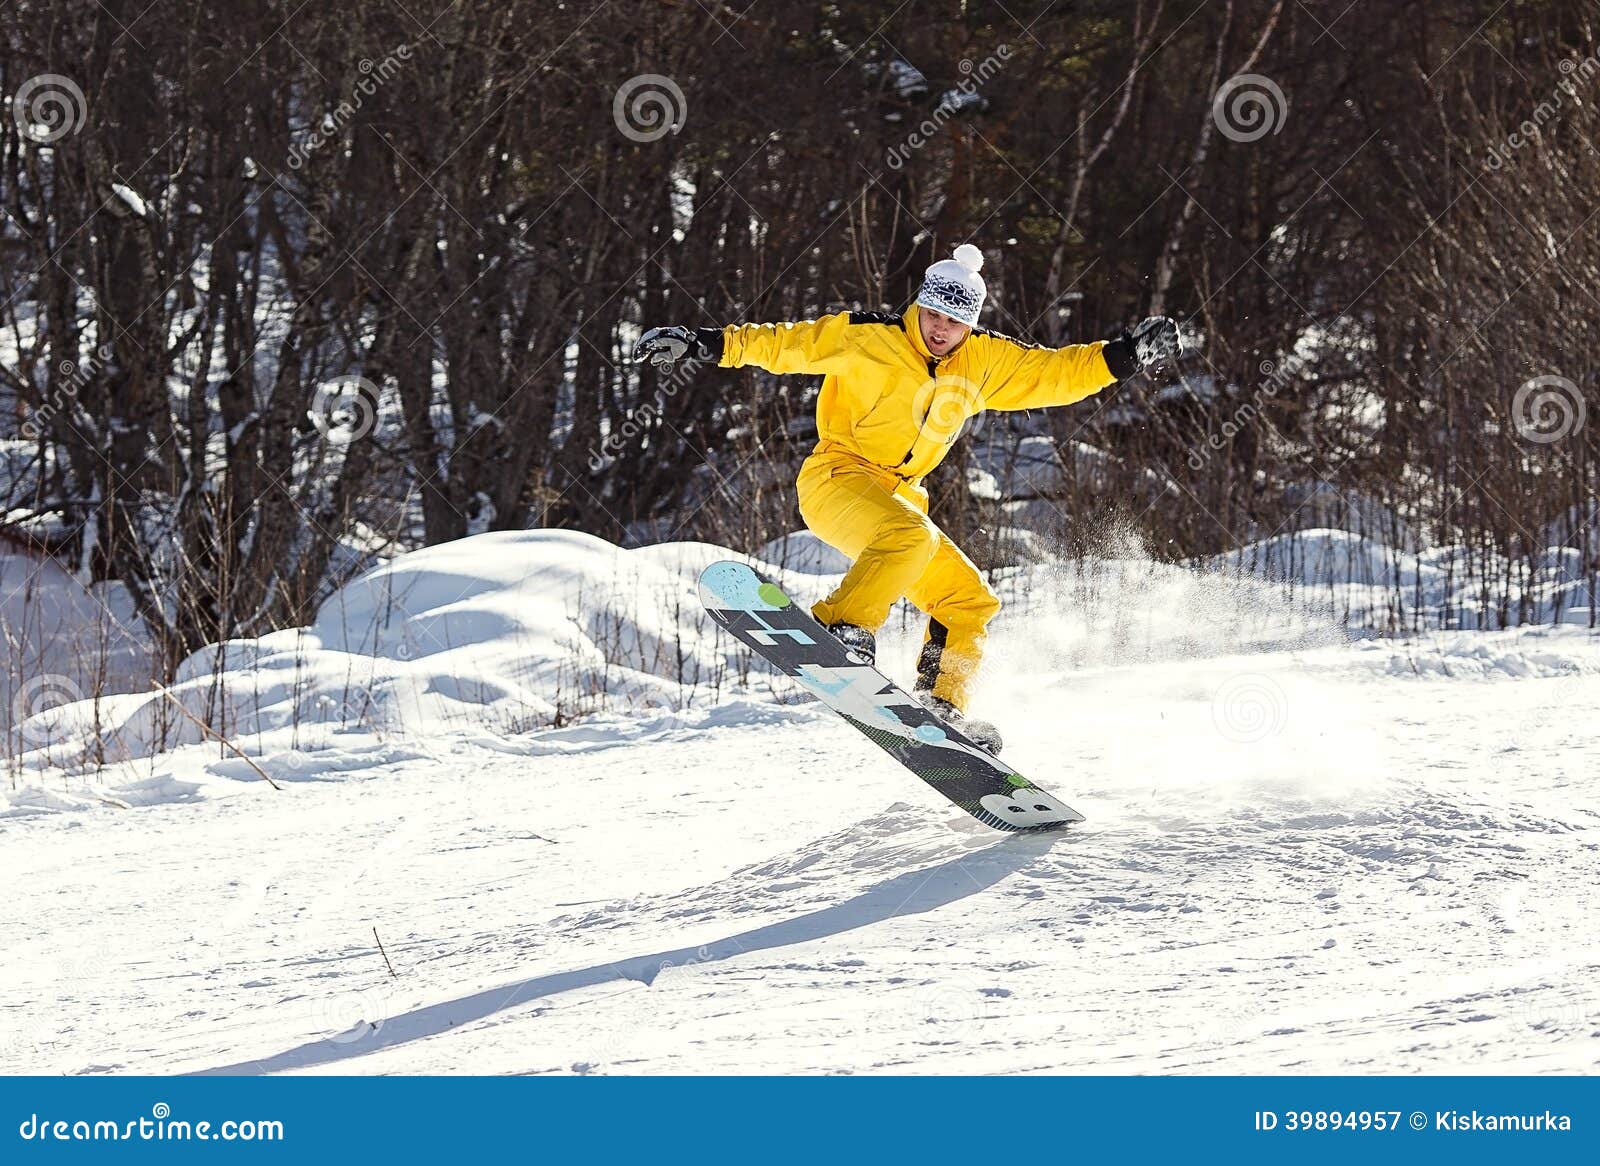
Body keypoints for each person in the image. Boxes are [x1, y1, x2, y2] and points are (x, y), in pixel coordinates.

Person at [633, 244, 1179, 754]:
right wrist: (703, 342)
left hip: (900, 500)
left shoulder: (985, 361)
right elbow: (784, 343)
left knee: (969, 602)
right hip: (837, 478)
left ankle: (940, 705)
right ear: (918, 306)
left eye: (956, 322)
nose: (941, 331)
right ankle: (841, 626)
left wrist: (1128, 354)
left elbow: (1057, 373)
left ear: (972, 323)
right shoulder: (868, 336)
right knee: (909, 533)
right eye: (934, 316)